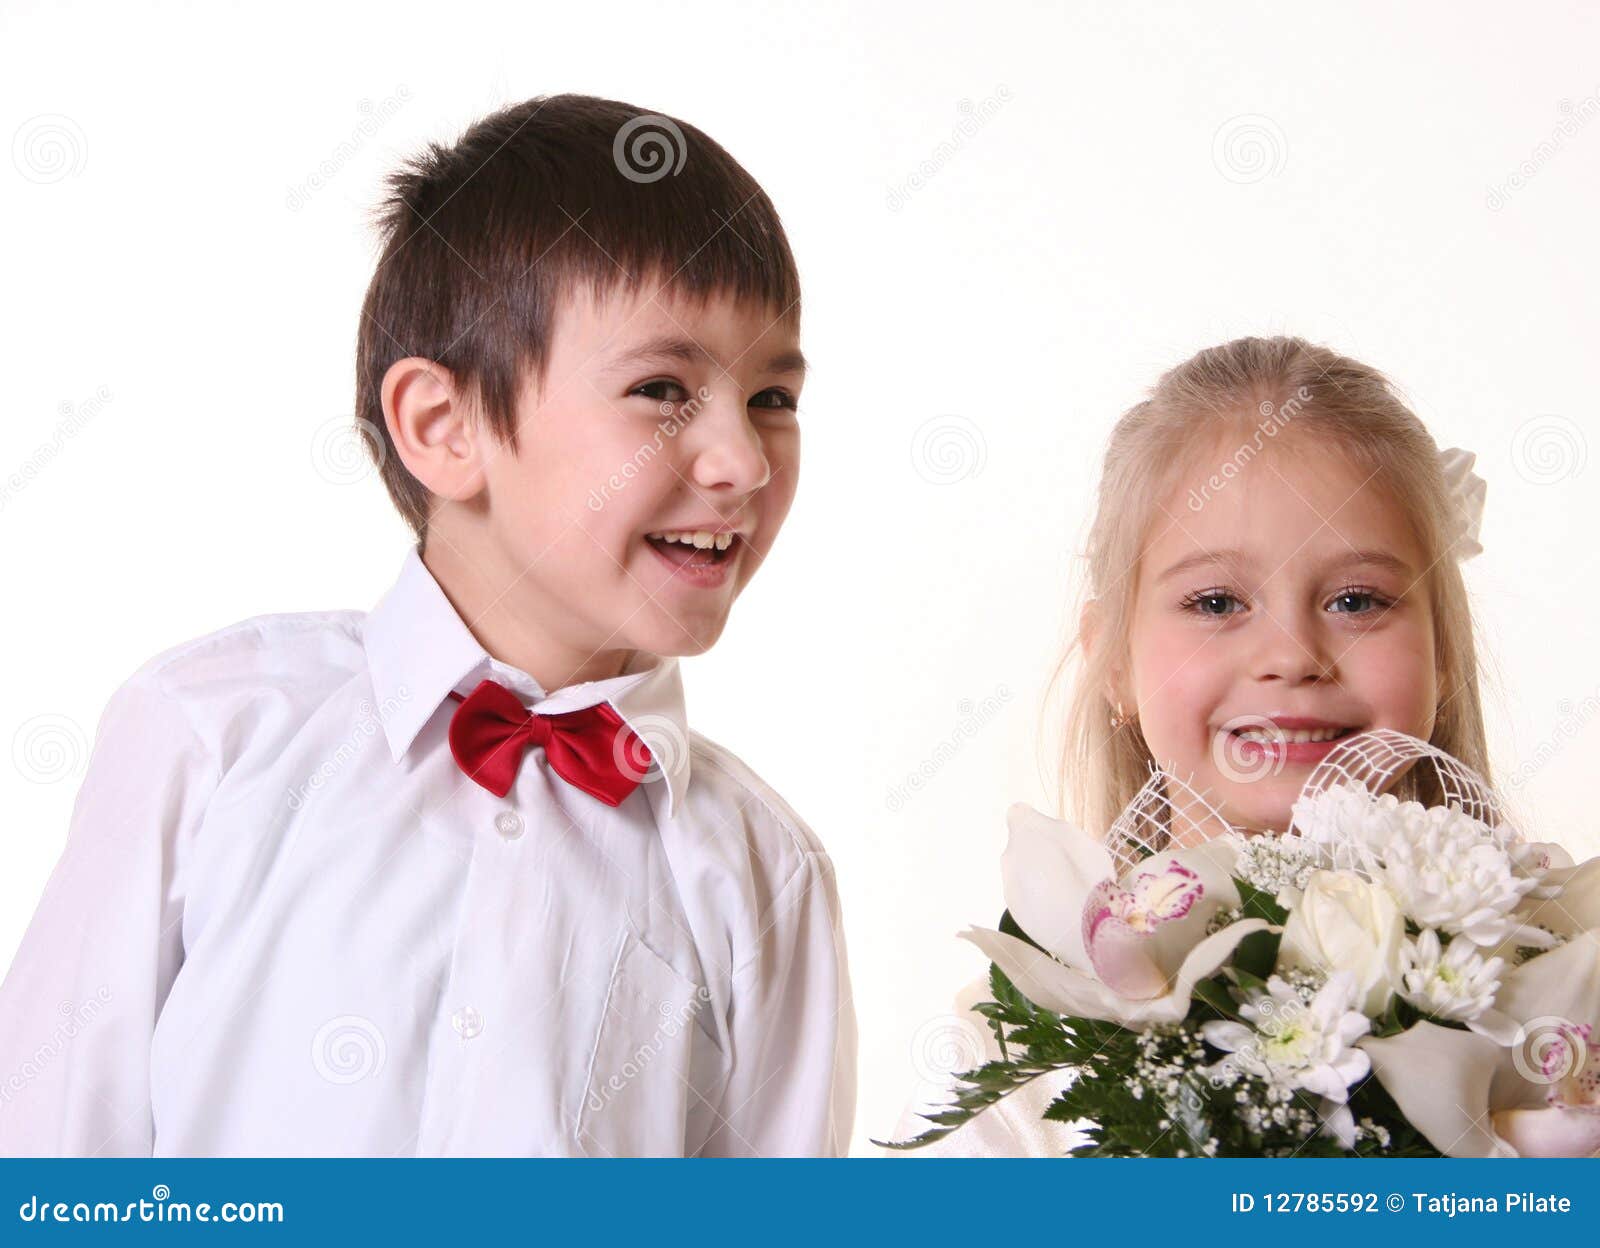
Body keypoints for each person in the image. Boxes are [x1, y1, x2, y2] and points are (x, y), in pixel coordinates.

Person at [0, 93, 855, 1158]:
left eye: (773, 397)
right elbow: (45, 1157)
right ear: (443, 428)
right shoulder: (211, 738)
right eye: (661, 388)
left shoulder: (762, 872)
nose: (743, 460)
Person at [892, 335, 1489, 1154]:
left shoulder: (1552, 1012)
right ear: (1115, 662)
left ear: (1444, 651)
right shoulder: (1013, 1066)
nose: (1291, 656)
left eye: (1356, 599)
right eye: (1215, 602)